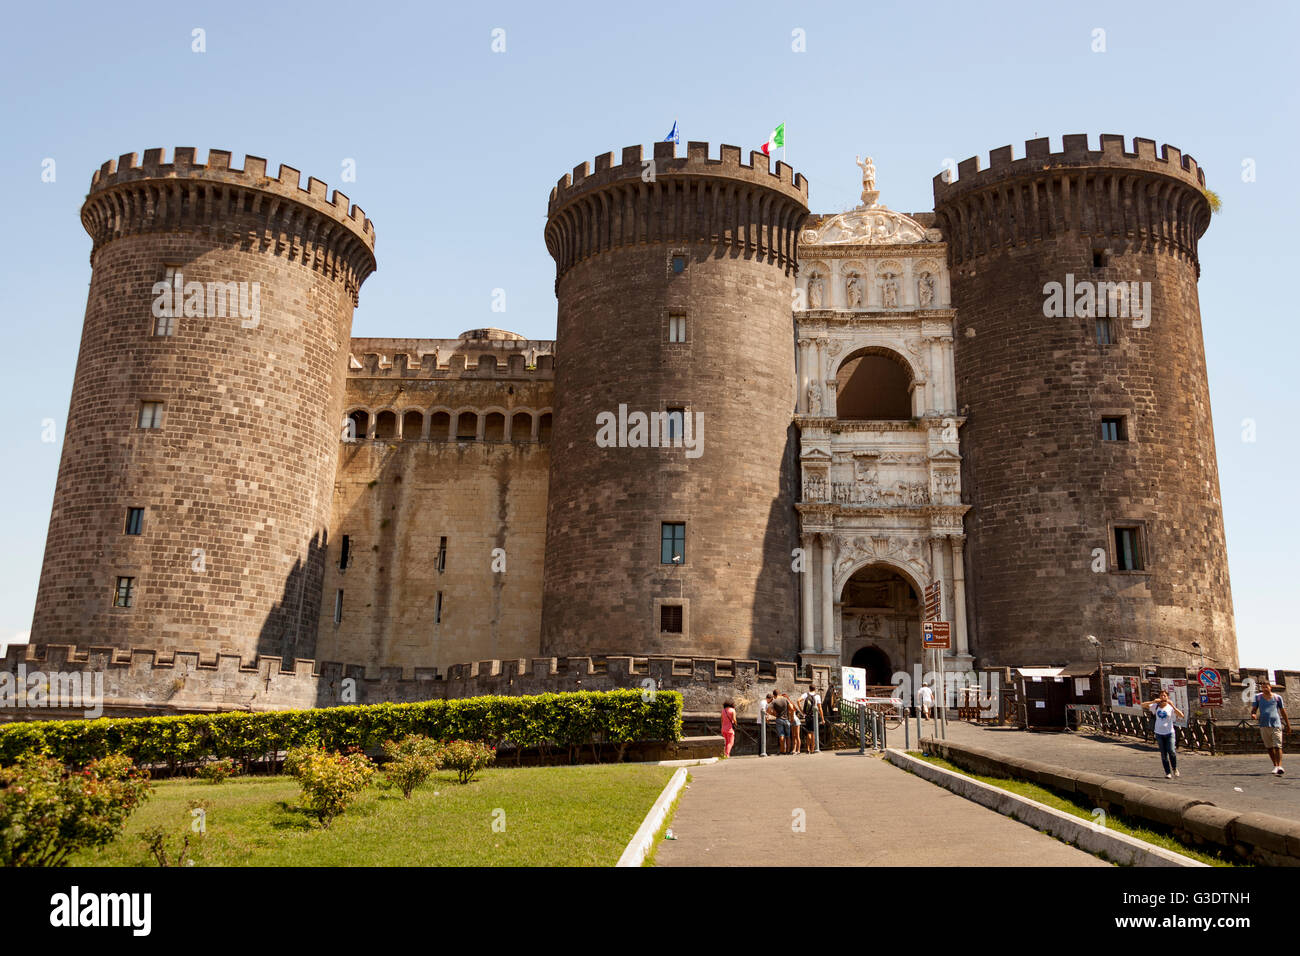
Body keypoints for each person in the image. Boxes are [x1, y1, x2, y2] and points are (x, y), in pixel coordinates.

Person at [1139, 689, 1185, 779]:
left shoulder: (1170, 707)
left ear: (1167, 697)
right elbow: (1142, 705)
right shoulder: (1155, 706)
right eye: (1161, 696)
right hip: (1159, 732)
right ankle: (1167, 772)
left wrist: (1173, 705)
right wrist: (1153, 701)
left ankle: (1174, 768)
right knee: (1163, 753)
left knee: (1171, 751)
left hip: (1169, 732)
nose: (1163, 697)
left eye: (1164, 696)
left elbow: (1181, 715)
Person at [1251, 680, 1291, 775]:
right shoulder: (1257, 697)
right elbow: (1253, 710)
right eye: (1263, 687)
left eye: (1266, 687)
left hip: (1276, 724)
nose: (1264, 689)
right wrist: (1253, 715)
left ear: (1270, 687)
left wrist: (1288, 725)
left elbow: (1282, 711)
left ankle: (1279, 766)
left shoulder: (1277, 697)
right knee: (1269, 747)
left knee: (1278, 745)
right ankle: (1275, 765)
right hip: (1264, 724)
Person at [801, 686, 824, 753]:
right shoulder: (817, 696)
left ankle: (808, 748)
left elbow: (798, 701)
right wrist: (822, 719)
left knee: (809, 732)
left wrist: (802, 712)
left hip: (807, 716)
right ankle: (812, 749)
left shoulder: (806, 694)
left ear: (809, 689)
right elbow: (820, 708)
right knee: (813, 733)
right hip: (814, 716)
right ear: (815, 689)